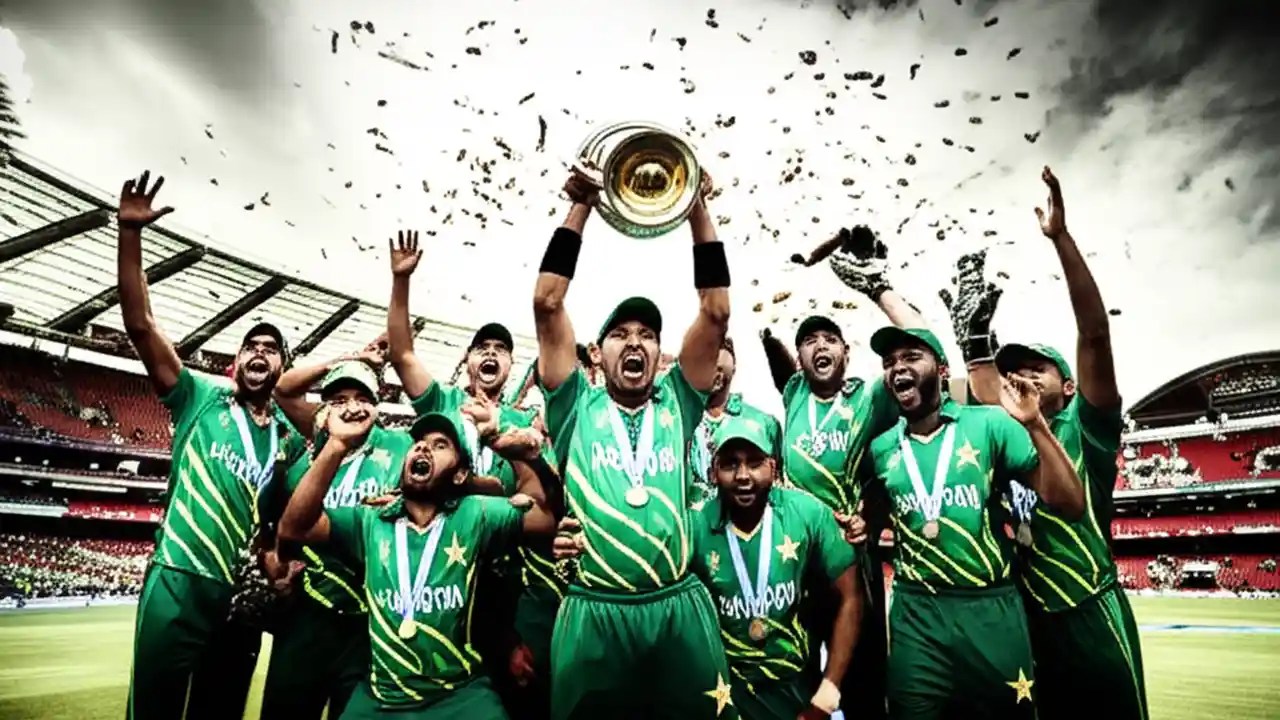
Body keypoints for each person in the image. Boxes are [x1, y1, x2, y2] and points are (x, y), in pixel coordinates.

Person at [533, 169, 737, 719]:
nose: (635, 342)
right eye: (620, 334)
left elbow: (716, 311)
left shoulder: (679, 400)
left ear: (659, 353)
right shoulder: (574, 404)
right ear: (596, 353)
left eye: (647, 334)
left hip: (676, 606)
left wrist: (696, 208)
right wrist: (581, 205)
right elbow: (548, 303)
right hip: (594, 610)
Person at [954, 167, 1146, 720]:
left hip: (1090, 609)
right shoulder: (1004, 437)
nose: (1022, 377)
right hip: (1032, 619)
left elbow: (1095, 334)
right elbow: (970, 384)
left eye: (1037, 368)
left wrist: (1060, 238)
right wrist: (972, 341)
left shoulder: (1087, 427)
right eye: (1014, 370)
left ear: (1068, 385)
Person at [115, 170, 307, 720]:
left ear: (283, 367)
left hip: (238, 596)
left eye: (272, 349)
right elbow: (142, 326)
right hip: (177, 577)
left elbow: (286, 521)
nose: (260, 353)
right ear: (237, 359)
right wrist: (130, 233)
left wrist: (280, 565)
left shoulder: (289, 440)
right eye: (252, 345)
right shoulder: (198, 396)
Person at [557, 415, 862, 719]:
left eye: (755, 462)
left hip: (794, 684)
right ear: (713, 472)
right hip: (721, 688)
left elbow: (851, 596)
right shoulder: (693, 525)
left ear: (773, 467)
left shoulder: (808, 514)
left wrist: (827, 696)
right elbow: (639, 573)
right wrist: (576, 543)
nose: (743, 476)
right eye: (730, 464)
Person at [860, 326, 1086, 719]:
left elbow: (1069, 503)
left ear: (943, 370)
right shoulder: (880, 448)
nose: (898, 367)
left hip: (991, 609)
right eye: (889, 362)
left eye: (911, 357)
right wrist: (857, 525)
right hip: (917, 614)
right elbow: (868, 522)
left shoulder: (990, 424)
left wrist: (1035, 424)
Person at [276, 405, 558, 719]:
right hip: (382, 699)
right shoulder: (371, 518)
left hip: (460, 697)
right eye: (419, 443)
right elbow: (294, 528)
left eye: (440, 445)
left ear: (460, 473)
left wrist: (521, 456)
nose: (423, 448)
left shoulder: (476, 513)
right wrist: (337, 444)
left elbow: (544, 520)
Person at [384, 228, 561, 718]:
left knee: (514, 693)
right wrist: (401, 281)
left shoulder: (523, 423)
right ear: (467, 361)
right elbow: (402, 354)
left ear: (510, 365)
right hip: (438, 568)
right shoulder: (440, 404)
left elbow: (540, 501)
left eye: (500, 349)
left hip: (502, 575)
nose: (490, 354)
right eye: (482, 347)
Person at [760, 225, 925, 720]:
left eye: (830, 338)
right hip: (797, 558)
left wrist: (879, 285)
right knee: (797, 677)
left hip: (853, 553)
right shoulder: (794, 393)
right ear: (800, 359)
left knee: (864, 684)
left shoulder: (868, 397)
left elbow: (922, 346)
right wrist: (771, 315)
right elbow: (770, 336)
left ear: (847, 352)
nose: (820, 345)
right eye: (809, 341)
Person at [260, 360, 415, 719]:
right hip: (307, 615)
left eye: (362, 398)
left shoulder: (404, 447)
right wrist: (273, 563)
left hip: (373, 622)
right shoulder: (301, 466)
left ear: (377, 405)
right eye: (340, 400)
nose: (352, 408)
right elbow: (274, 532)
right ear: (325, 409)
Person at [688, 338, 783, 510]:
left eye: (719, 363)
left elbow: (778, 485)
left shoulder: (764, 423)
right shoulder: (676, 421)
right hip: (694, 522)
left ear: (734, 366)